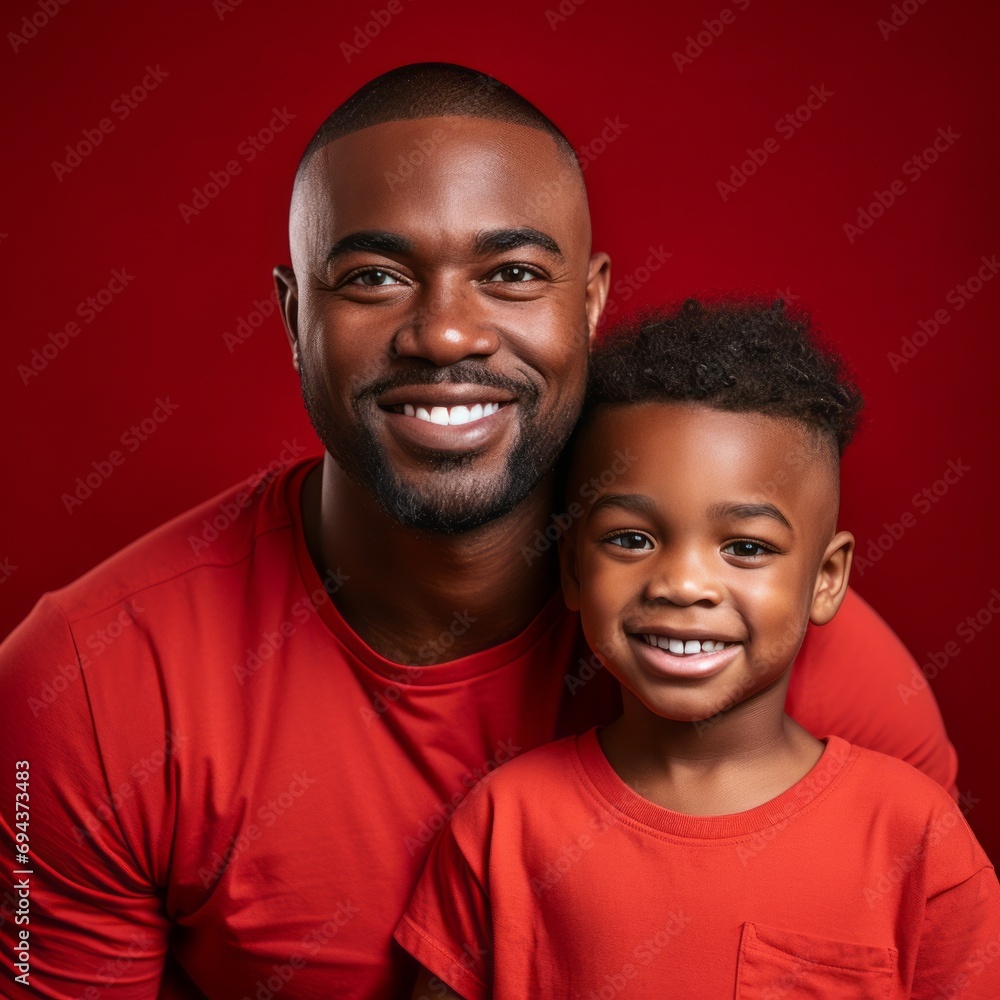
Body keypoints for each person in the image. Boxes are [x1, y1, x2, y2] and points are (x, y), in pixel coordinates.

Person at [0, 65, 958, 999]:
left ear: (589, 304)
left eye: (512, 274)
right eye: (374, 277)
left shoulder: (821, 683)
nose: (447, 334)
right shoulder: (88, 687)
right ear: (295, 316)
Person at [396, 300, 1000, 1000]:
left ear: (826, 579)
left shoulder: (913, 836)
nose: (682, 584)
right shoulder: (503, 828)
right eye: (631, 539)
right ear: (571, 569)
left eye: (746, 547)